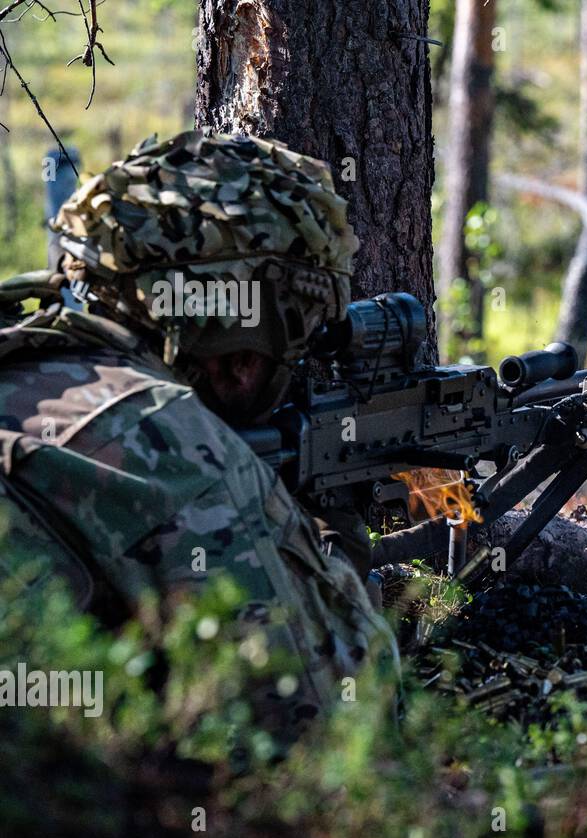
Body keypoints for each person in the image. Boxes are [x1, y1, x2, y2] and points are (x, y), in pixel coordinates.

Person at [0, 130, 395, 739]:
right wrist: (331, 561)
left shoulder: (22, 353)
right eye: (299, 330)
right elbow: (333, 732)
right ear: (243, 353)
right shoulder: (175, 447)